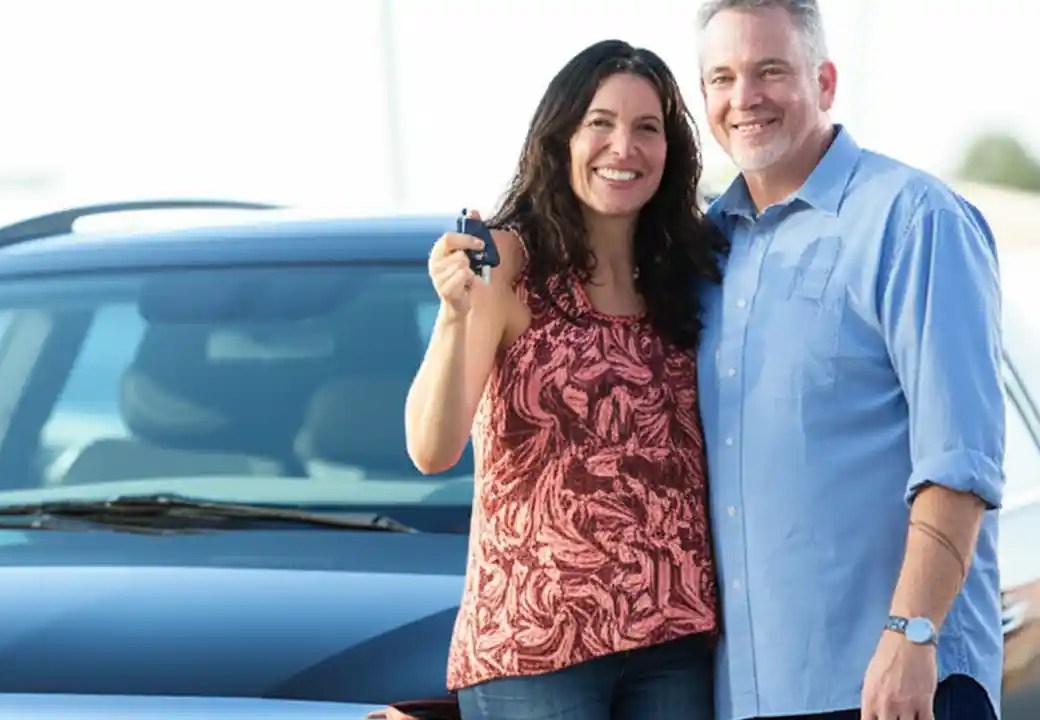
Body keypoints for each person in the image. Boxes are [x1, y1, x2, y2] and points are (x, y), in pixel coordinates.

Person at [381, 39, 728, 720]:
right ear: (562, 136)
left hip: (676, 642)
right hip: (536, 651)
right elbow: (431, 448)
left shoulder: (689, 275)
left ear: (671, 150)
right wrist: (453, 316)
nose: (622, 146)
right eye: (600, 122)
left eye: (646, 127)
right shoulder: (509, 261)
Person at [693, 1, 1006, 719]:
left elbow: (960, 461)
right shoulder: (705, 253)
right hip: (748, 696)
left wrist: (911, 632)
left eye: (770, 70)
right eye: (722, 77)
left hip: (896, 686)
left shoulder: (915, 220)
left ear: (824, 81)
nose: (745, 98)